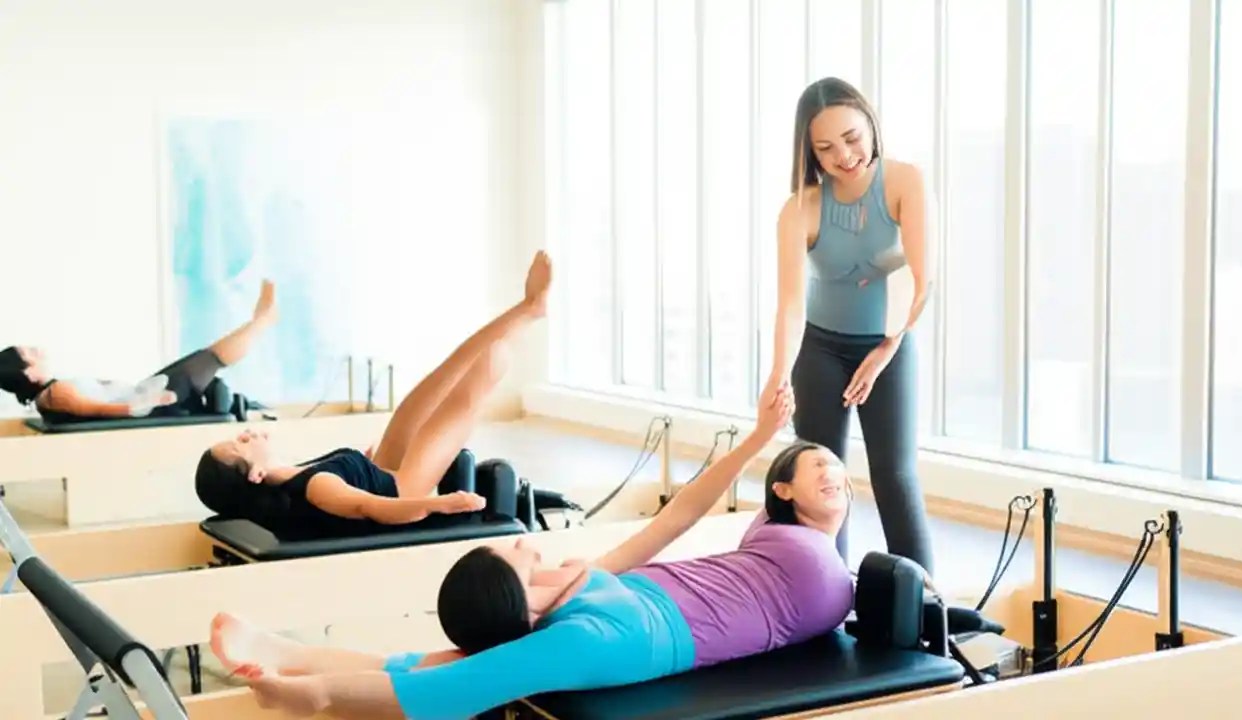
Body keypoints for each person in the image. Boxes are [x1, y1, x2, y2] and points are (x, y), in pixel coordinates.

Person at [202, 385, 860, 719]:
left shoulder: (584, 583)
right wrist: (314, 700)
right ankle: (307, 683)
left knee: (442, 659)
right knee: (457, 670)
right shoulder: (594, 634)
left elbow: (679, 516)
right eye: (519, 559)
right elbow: (450, 697)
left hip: (653, 598)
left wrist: (756, 439)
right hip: (658, 624)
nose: (524, 542)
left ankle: (292, 653)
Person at [193, 251, 554, 535]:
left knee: (446, 372)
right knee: (484, 371)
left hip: (382, 468)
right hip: (404, 484)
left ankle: (529, 307)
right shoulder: (315, 488)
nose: (244, 435)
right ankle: (525, 326)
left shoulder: (292, 476)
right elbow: (369, 507)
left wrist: (359, 465)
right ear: (255, 475)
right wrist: (437, 504)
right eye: (239, 444)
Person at [761, 76, 936, 575]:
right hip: (818, 349)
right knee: (819, 483)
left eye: (852, 138)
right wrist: (779, 374)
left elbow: (922, 282)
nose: (844, 155)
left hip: (889, 344)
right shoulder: (800, 209)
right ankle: (823, 597)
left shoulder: (905, 182)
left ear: (870, 125)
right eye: (826, 147)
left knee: (894, 476)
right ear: (810, 152)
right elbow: (791, 304)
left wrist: (885, 351)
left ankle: (924, 605)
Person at [0, 280, 279, 424]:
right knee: (210, 359)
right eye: (29, 353)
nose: (36, 350)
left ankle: (260, 321)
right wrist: (152, 402)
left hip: (144, 394)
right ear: (28, 372)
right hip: (149, 404)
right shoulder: (56, 393)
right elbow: (102, 410)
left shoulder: (50, 394)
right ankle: (263, 321)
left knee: (207, 359)